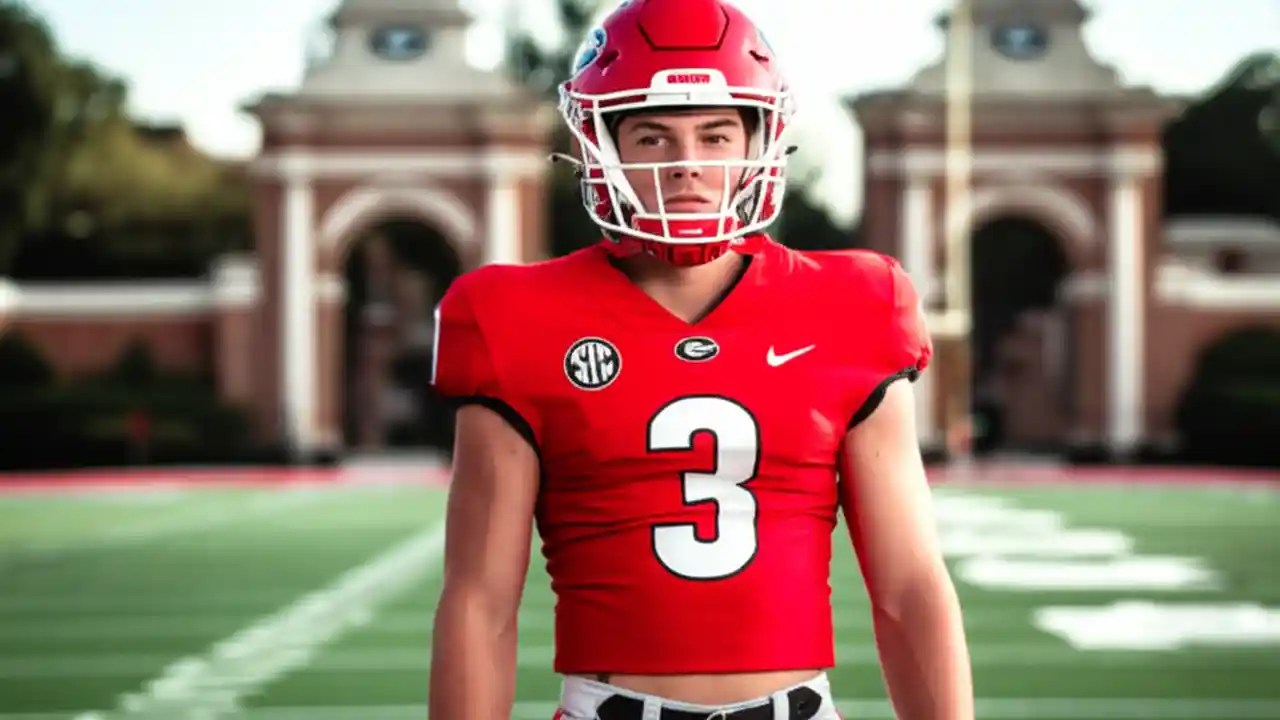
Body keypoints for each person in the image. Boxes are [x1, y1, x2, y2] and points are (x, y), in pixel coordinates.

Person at [427, 0, 974, 718]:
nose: (687, 165)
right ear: (601, 145)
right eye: (652, 136)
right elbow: (481, 602)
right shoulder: (514, 314)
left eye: (715, 135)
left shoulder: (856, 303)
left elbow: (909, 587)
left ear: (761, 139)